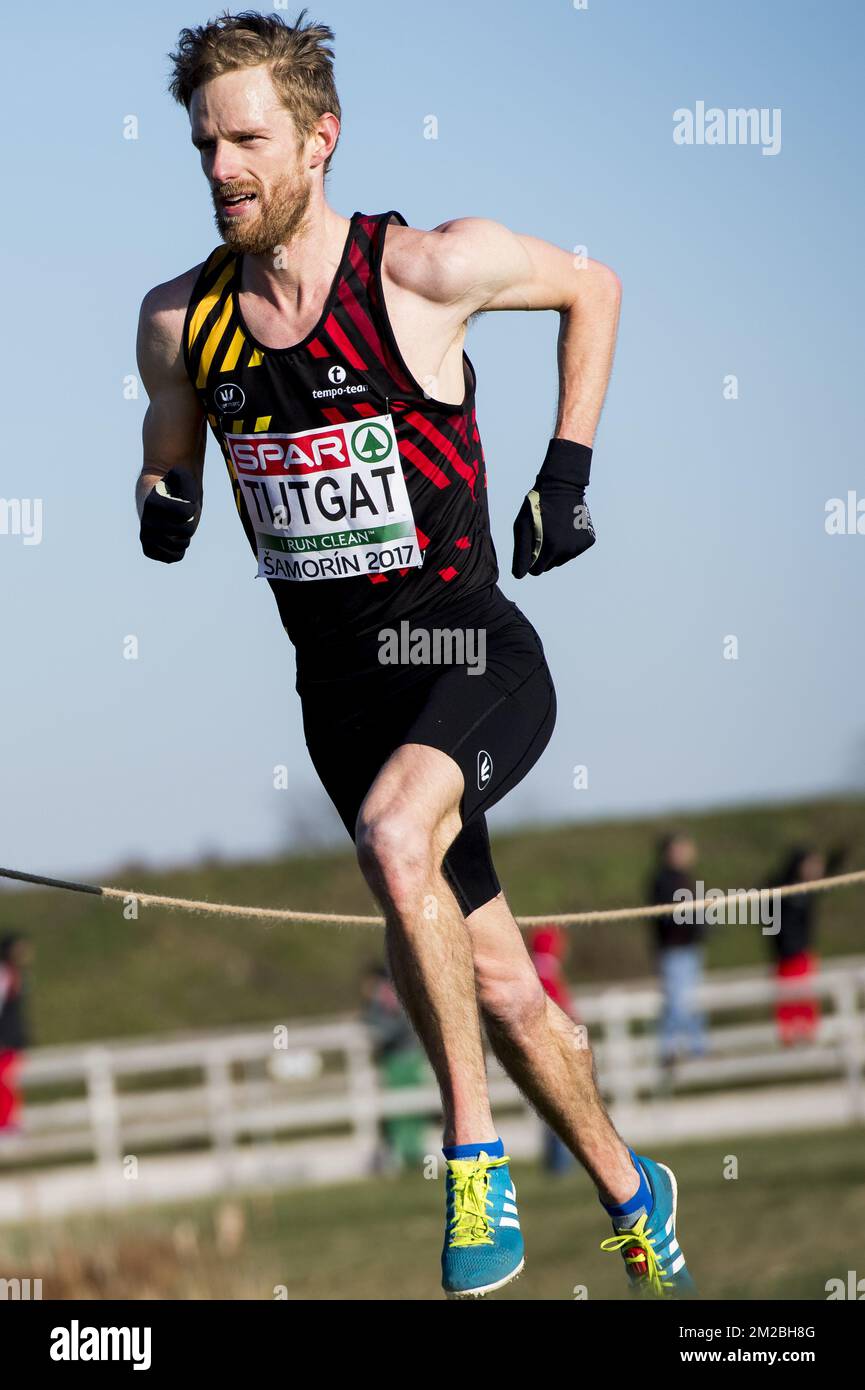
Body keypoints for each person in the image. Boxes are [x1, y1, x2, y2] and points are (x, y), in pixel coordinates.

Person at [136, 10, 694, 1299]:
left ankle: (470, 1156)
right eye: (205, 142)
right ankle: (631, 1187)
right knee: (502, 987)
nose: (223, 166)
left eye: (249, 141)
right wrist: (165, 500)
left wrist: (568, 468)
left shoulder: (427, 270)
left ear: (319, 141)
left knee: (399, 839)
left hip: (467, 648)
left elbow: (592, 288)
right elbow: (170, 446)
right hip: (337, 695)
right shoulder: (183, 323)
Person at [769, 846, 845, 1046]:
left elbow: (826, 876)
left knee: (805, 1000)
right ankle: (792, 1041)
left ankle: (806, 1038)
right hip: (786, 956)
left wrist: (838, 857)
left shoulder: (806, 889)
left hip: (801, 955)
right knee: (790, 1002)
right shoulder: (783, 888)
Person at [360, 963, 428, 1172]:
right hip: (399, 1058)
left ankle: (411, 1154)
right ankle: (407, 1154)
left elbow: (395, 1025)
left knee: (407, 1110)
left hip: (402, 1058)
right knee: (401, 1112)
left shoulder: (387, 994)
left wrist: (376, 1032)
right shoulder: (391, 992)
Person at [649, 833, 706, 1076]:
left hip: (689, 949)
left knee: (690, 999)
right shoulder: (662, 880)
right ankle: (671, 1051)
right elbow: (669, 917)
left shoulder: (685, 878)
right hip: (674, 950)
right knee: (676, 1000)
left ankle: (697, 1049)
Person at [529, 926, 576, 1174]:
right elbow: (564, 1015)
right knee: (562, 1106)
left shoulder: (532, 973)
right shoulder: (547, 976)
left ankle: (556, 1160)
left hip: (540, 1050)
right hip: (554, 1050)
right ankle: (560, 1162)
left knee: (551, 1106)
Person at [0, 934, 32, 1136]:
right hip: (5, 1039)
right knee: (4, 1080)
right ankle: (6, 1125)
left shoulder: (14, 973)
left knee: (10, 1080)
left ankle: (10, 1123)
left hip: (12, 1038)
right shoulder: (4, 973)